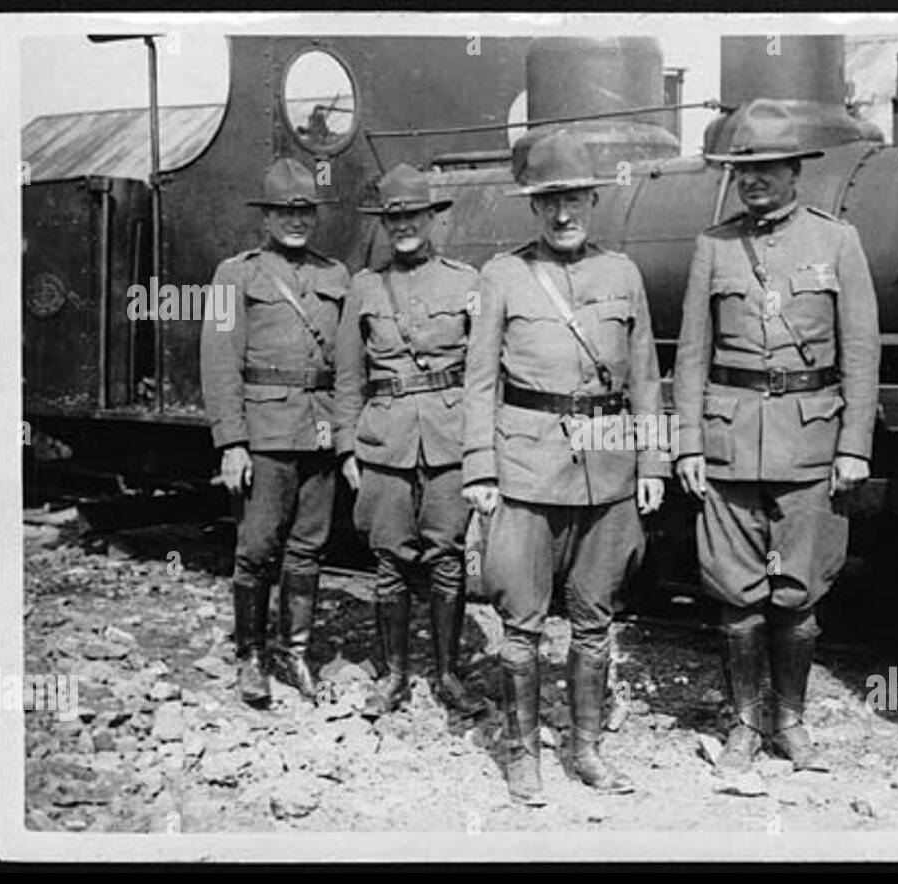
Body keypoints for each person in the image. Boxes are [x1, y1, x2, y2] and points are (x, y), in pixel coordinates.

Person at [671, 100, 881, 775]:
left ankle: (788, 720)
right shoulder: (712, 244)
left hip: (813, 439)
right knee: (734, 591)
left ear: (796, 170)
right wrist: (687, 443)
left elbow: (861, 354)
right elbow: (692, 355)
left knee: (799, 590)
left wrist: (854, 444)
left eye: (766, 168)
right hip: (729, 438)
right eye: (743, 170)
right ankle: (741, 722)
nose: (754, 180)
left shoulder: (837, 241)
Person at [462, 129, 666, 806]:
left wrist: (652, 460)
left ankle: (586, 748)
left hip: (607, 472)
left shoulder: (622, 274)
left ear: (592, 200)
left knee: (594, 618)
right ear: (533, 208)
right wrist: (481, 470)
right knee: (520, 622)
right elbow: (479, 380)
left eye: (574, 197)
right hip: (524, 471)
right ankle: (523, 756)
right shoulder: (503, 275)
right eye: (549, 201)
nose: (563, 213)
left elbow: (645, 377)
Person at [333, 163, 486, 718]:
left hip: (450, 440)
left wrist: (482, 448)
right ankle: (394, 674)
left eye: (414, 216)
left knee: (447, 557)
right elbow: (348, 376)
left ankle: (447, 675)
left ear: (432, 218)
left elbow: (483, 369)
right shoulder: (364, 287)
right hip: (385, 441)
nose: (404, 227)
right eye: (393, 218)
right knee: (389, 561)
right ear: (384, 223)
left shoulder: (466, 282)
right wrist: (347, 447)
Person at [200, 157, 349, 706]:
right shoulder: (232, 274)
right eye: (284, 212)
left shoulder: (336, 276)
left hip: (320, 432)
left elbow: (346, 364)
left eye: (305, 211)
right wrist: (230, 443)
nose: (296, 221)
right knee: (257, 548)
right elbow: (218, 365)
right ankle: (252, 657)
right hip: (262, 435)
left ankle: (295, 653)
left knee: (308, 548)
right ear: (265, 217)